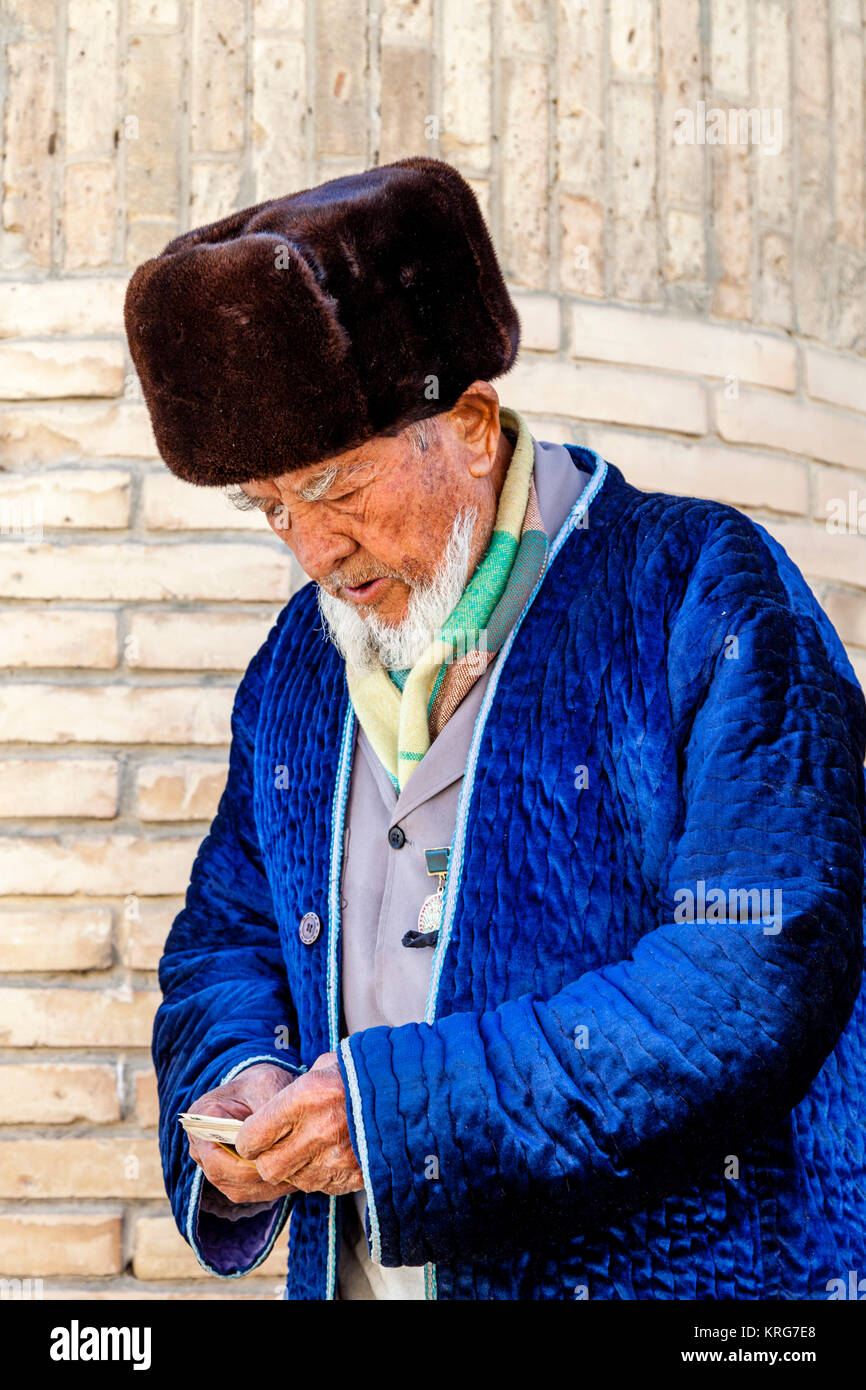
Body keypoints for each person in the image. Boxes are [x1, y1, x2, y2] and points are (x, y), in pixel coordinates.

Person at [125, 156, 866, 1301]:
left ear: (470, 423)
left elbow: (752, 969)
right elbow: (227, 937)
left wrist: (395, 1118)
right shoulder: (294, 663)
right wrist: (242, 1077)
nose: (308, 551)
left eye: (332, 484)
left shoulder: (700, 588)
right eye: (269, 506)